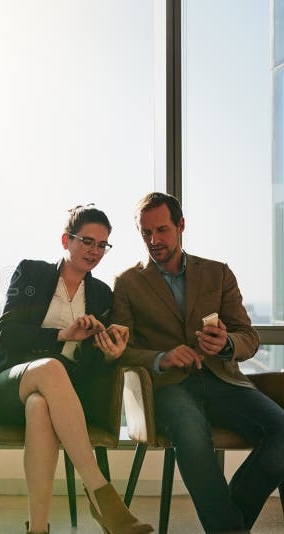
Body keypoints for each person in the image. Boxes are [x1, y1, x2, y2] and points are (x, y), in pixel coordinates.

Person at [112, 192, 284, 533]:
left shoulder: (218, 274)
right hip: (168, 387)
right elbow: (122, 350)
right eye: (145, 232)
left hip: (223, 381)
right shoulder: (127, 283)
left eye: (161, 230)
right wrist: (161, 358)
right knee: (191, 433)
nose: (154, 240)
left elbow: (248, 337)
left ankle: (227, 523)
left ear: (181, 226)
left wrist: (226, 343)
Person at [0, 205, 154, 534]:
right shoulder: (32, 273)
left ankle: (38, 529)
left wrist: (110, 352)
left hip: (60, 400)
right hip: (7, 385)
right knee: (51, 368)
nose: (94, 251)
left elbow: (90, 366)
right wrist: (62, 335)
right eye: (87, 241)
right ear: (65, 240)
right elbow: (7, 333)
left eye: (102, 245)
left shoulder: (101, 294)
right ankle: (101, 494)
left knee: (40, 405)